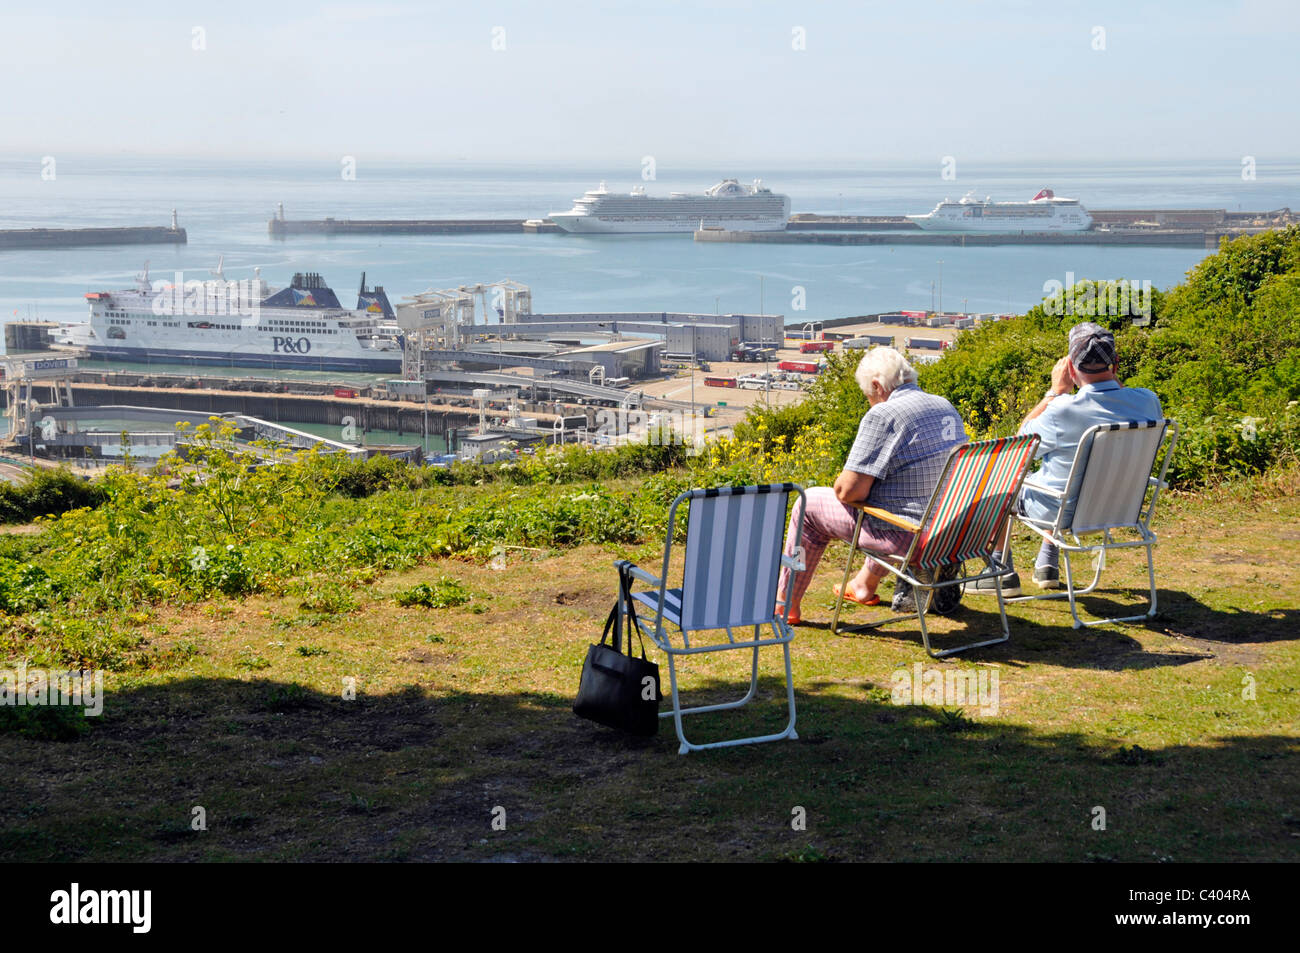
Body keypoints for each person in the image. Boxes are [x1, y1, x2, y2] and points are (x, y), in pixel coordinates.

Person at [966, 321, 1163, 596]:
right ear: (1116, 364)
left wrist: (1054, 392)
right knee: (1064, 477)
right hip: (1121, 510)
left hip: (1063, 513)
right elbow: (1121, 395)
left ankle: (1001, 572)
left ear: (1070, 367)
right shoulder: (1148, 401)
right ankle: (1047, 563)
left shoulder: (1063, 410)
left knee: (999, 479)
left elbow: (1020, 444)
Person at [776, 347, 968, 623]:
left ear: (877, 386)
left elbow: (848, 492)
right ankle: (864, 584)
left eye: (867, 394)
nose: (868, 400)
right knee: (893, 501)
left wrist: (844, 480)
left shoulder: (884, 414)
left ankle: (786, 602)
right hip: (951, 531)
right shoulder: (943, 405)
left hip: (912, 537)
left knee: (808, 505)